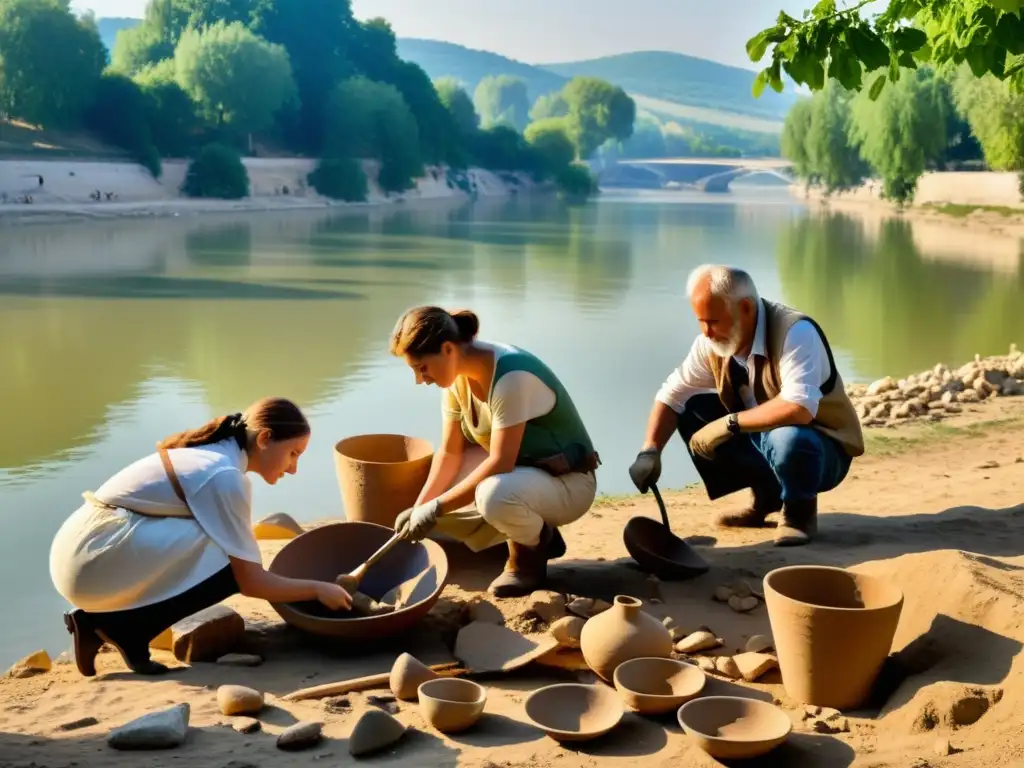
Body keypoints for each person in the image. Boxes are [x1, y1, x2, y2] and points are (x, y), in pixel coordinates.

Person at [49, 397, 352, 678]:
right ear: (264, 439)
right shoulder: (223, 475)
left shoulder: (215, 456)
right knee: (230, 557)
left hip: (79, 553)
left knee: (229, 544)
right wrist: (317, 590)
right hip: (92, 559)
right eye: (293, 454)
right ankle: (122, 627)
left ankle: (118, 627)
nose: (294, 468)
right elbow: (251, 582)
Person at [628, 264, 864, 546]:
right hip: (767, 438)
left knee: (787, 437)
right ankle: (765, 500)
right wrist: (650, 450)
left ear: (747, 309)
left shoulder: (796, 332)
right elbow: (672, 394)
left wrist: (730, 423)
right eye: (700, 321)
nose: (706, 332)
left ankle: (799, 514)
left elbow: (799, 408)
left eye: (713, 322)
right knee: (691, 407)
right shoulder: (710, 344)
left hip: (823, 450)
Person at [388, 306, 600, 597]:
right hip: (525, 477)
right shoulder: (454, 379)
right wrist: (420, 508)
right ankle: (532, 531)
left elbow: (500, 462)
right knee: (434, 495)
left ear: (448, 348)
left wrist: (435, 509)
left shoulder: (511, 375)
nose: (420, 379)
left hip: (569, 484)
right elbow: (450, 454)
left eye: (421, 367)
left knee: (492, 496)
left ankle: (529, 555)